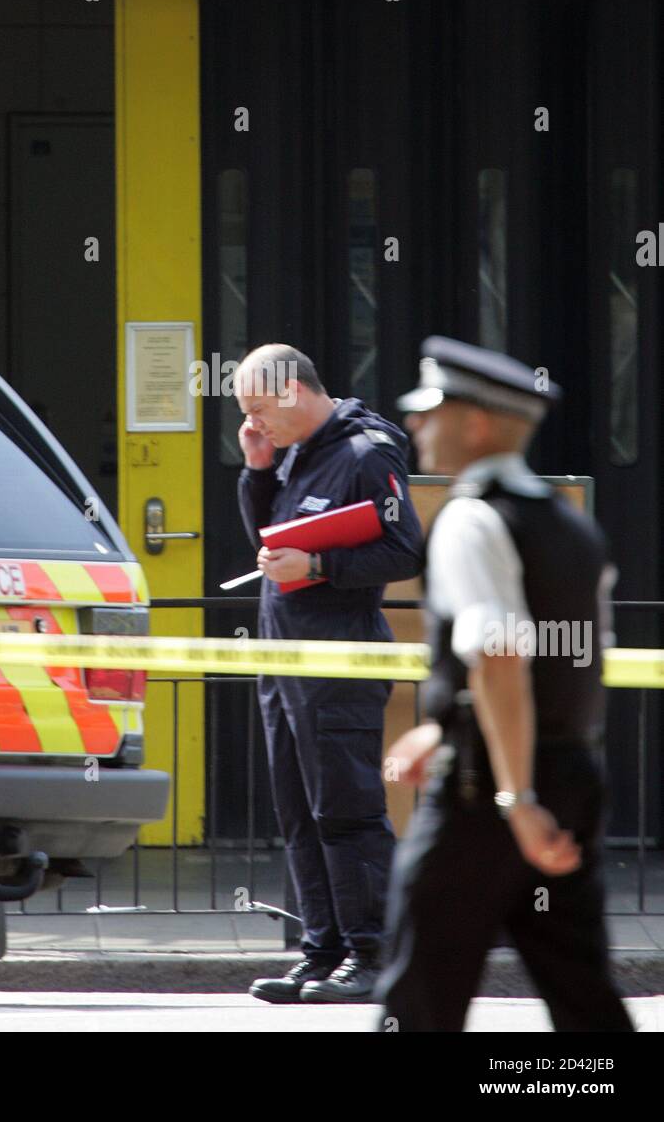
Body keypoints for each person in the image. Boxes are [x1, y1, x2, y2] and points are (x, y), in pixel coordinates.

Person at [375, 336, 633, 1032]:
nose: (414, 427)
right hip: (570, 770)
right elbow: (574, 662)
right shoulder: (571, 529)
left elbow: (500, 657)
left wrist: (514, 799)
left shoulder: (468, 519)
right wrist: (449, 720)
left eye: (430, 412)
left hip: (484, 791)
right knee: (579, 989)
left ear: (476, 423)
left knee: (418, 995)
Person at [234, 344, 423, 1003]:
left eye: (259, 409)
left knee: (347, 809)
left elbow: (402, 549)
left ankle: (371, 956)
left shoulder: (367, 453)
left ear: (292, 390)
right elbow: (269, 541)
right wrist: (257, 470)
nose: (254, 424)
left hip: (339, 661)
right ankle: (323, 952)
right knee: (298, 811)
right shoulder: (290, 452)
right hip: (284, 660)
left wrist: (318, 570)